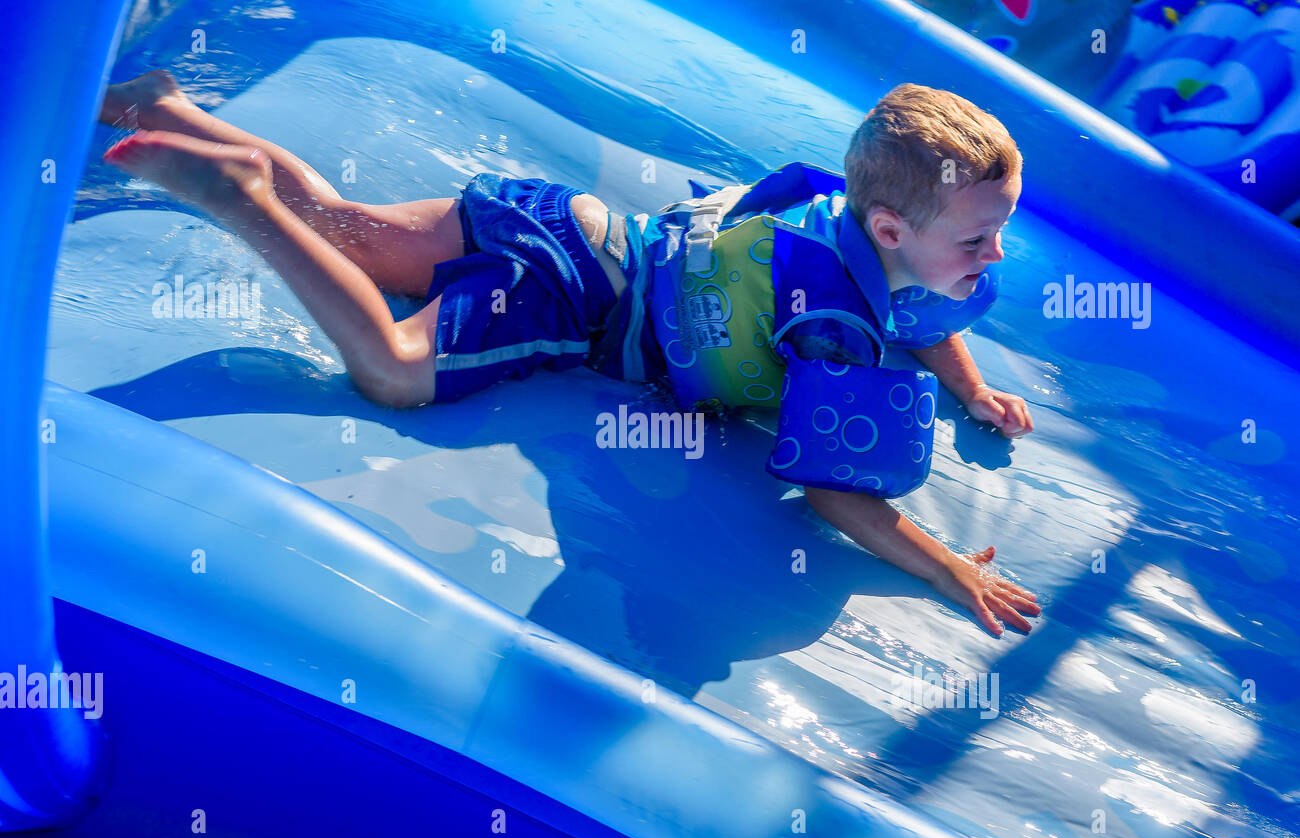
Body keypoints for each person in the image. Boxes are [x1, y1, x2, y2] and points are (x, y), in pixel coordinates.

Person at [98, 72, 1041, 637]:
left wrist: (971, 388)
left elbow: (922, 310)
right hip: (570, 299)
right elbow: (835, 493)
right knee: (392, 369)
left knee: (344, 225)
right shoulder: (833, 323)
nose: (993, 256)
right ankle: (241, 202)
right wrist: (946, 567)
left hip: (558, 219)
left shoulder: (848, 218)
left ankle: (168, 106)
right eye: (978, 239)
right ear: (890, 228)